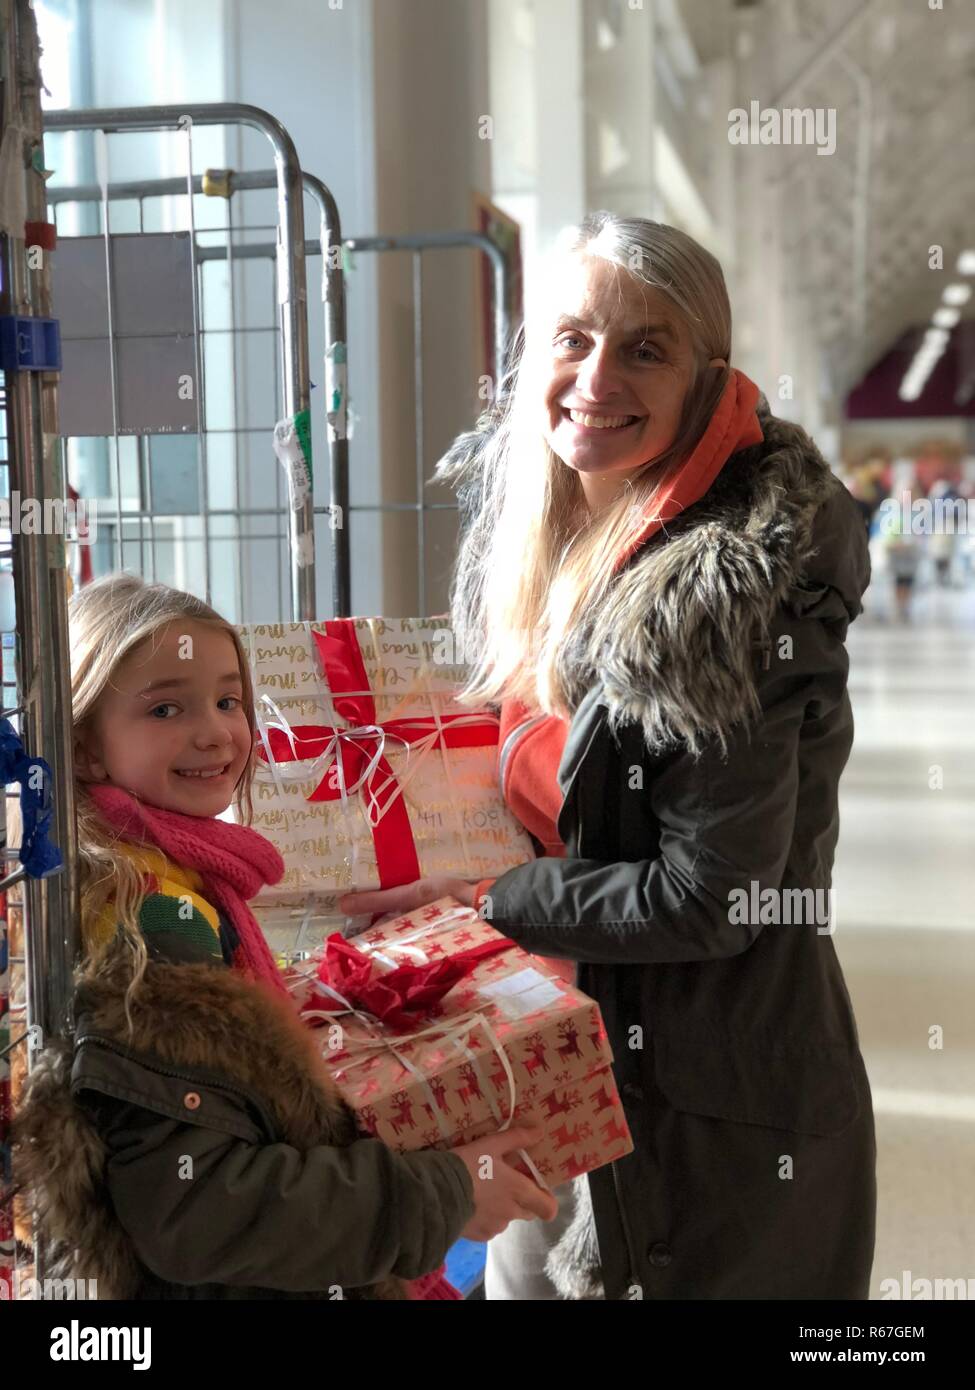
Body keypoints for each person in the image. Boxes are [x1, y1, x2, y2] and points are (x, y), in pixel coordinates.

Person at [342, 213, 877, 1300]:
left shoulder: (717, 598)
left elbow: (712, 896)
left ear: (704, 379)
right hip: (554, 1065)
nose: (597, 375)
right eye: (572, 339)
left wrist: (495, 900)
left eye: (646, 348)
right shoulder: (558, 554)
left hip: (704, 1111)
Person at [8, 573, 556, 1300]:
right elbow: (198, 1214)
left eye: (229, 700)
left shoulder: (144, 873)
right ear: (83, 749)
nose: (214, 731)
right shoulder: (153, 920)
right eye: (166, 707)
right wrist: (444, 1195)